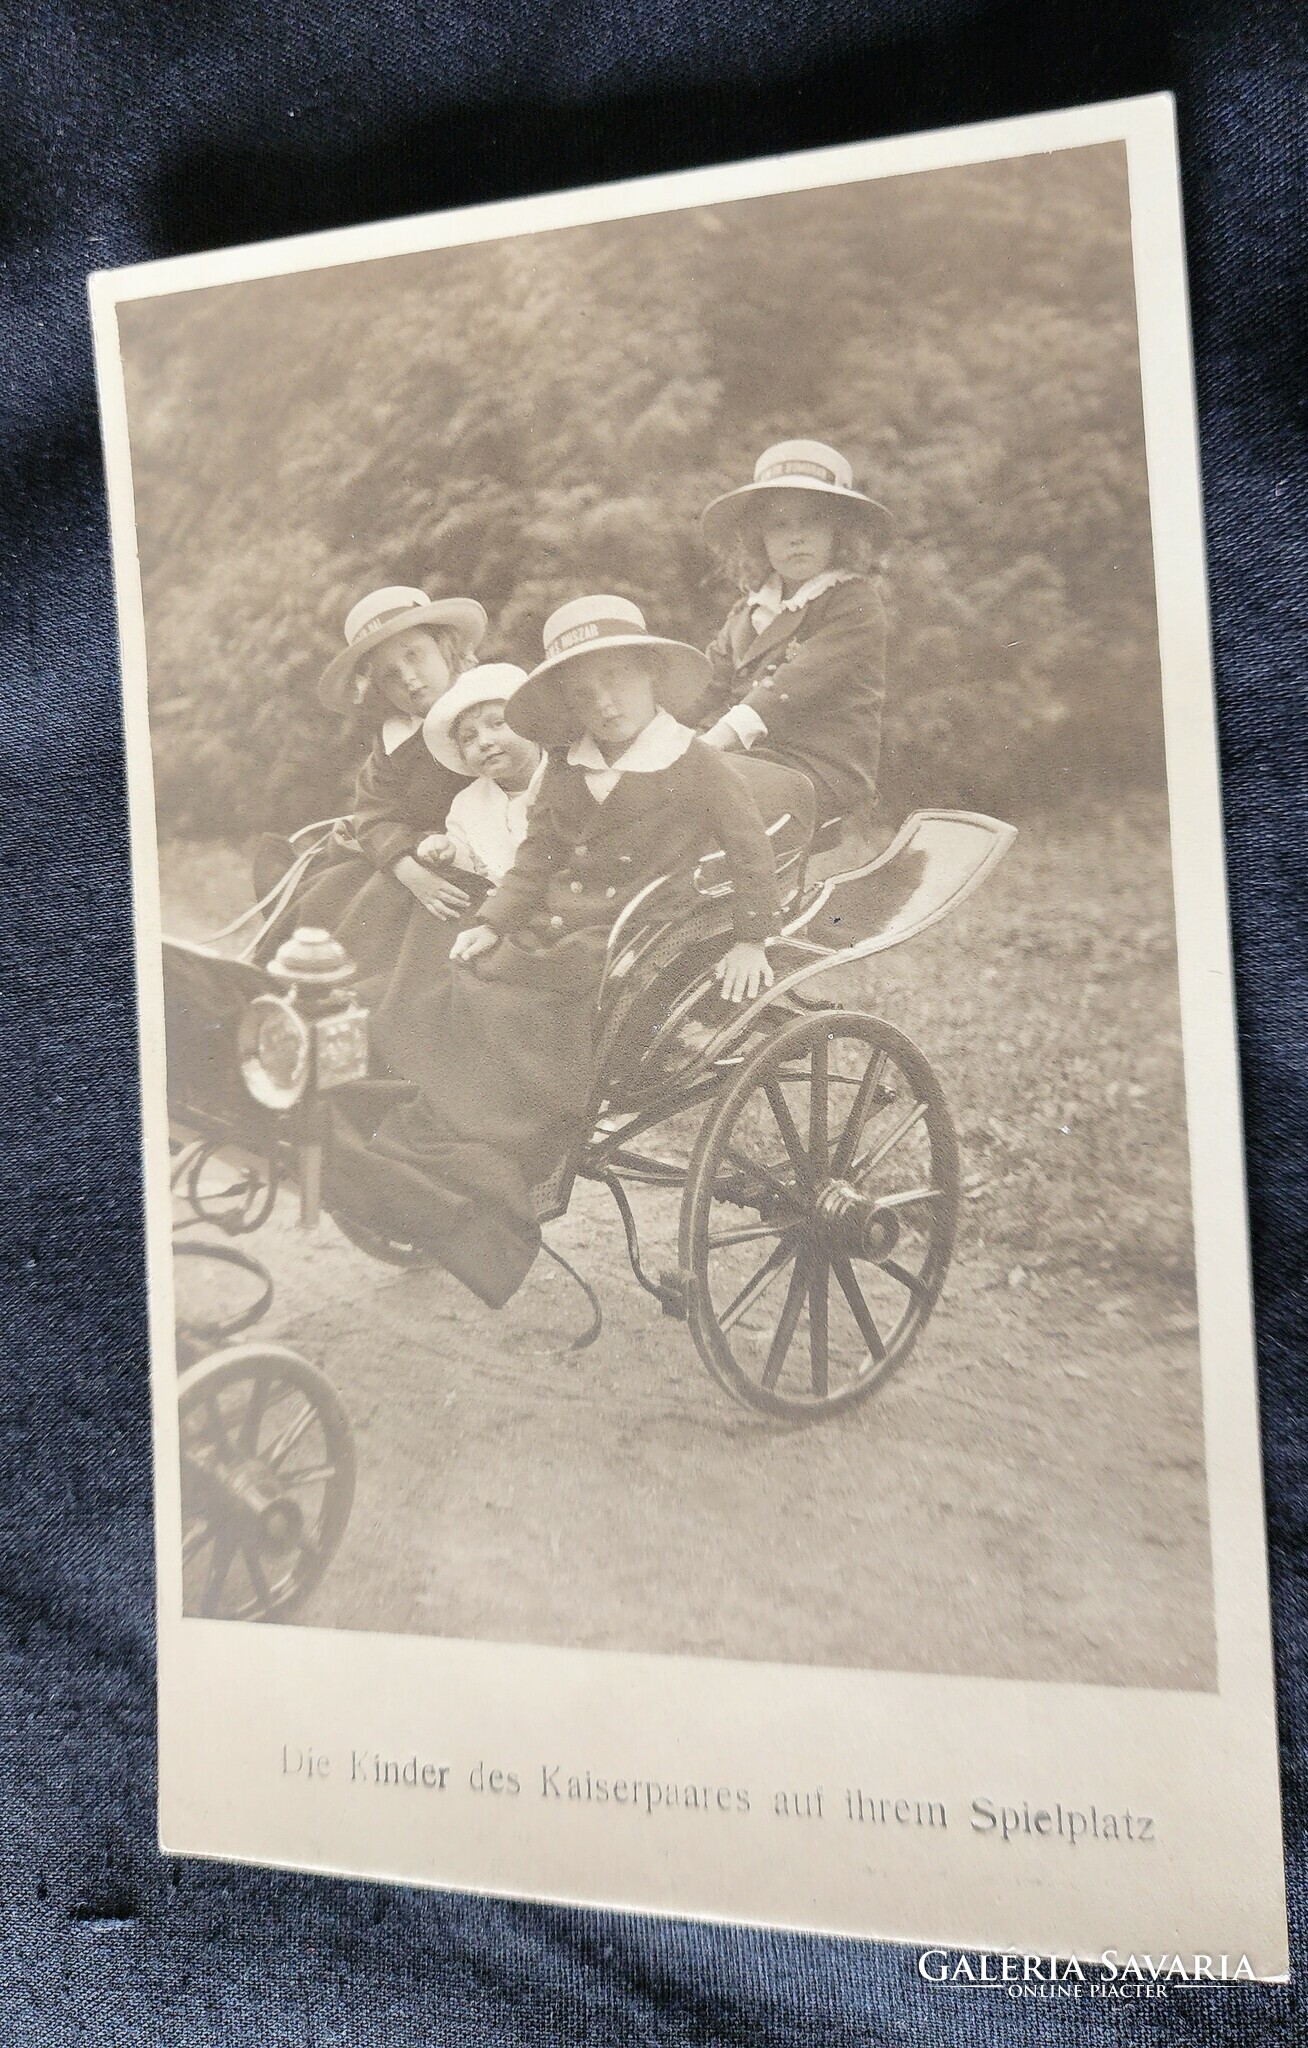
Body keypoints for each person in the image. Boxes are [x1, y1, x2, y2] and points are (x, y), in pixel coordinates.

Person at [327, 596, 784, 1307]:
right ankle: (460, 1127)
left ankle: (519, 1132)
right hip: (554, 916)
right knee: (470, 974)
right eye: (582, 692)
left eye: (617, 682)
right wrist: (495, 919)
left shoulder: (693, 763)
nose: (603, 705)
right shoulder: (570, 769)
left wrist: (753, 937)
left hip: (636, 928)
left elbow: (752, 850)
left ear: (651, 678)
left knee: (530, 992)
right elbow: (535, 856)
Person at [255, 585, 487, 974]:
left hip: (481, 860)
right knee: (335, 893)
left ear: (446, 650)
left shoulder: (488, 711)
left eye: (415, 656)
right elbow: (374, 814)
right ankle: (300, 987)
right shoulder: (395, 739)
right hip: (410, 864)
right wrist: (409, 870)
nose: (410, 679)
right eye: (391, 675)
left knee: (414, 931)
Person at [697, 439, 891, 825]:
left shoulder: (853, 603)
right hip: (754, 759)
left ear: (839, 530)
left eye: (812, 521)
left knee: (696, 787)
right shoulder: (748, 612)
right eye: (779, 524)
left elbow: (789, 690)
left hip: (821, 769)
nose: (795, 536)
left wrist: (705, 747)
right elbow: (705, 688)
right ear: (759, 536)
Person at [414, 663, 543, 884]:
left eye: (497, 724)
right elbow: (473, 864)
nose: (483, 742)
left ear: (530, 723)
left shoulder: (566, 776)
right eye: (468, 737)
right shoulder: (467, 804)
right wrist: (448, 852)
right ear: (461, 755)